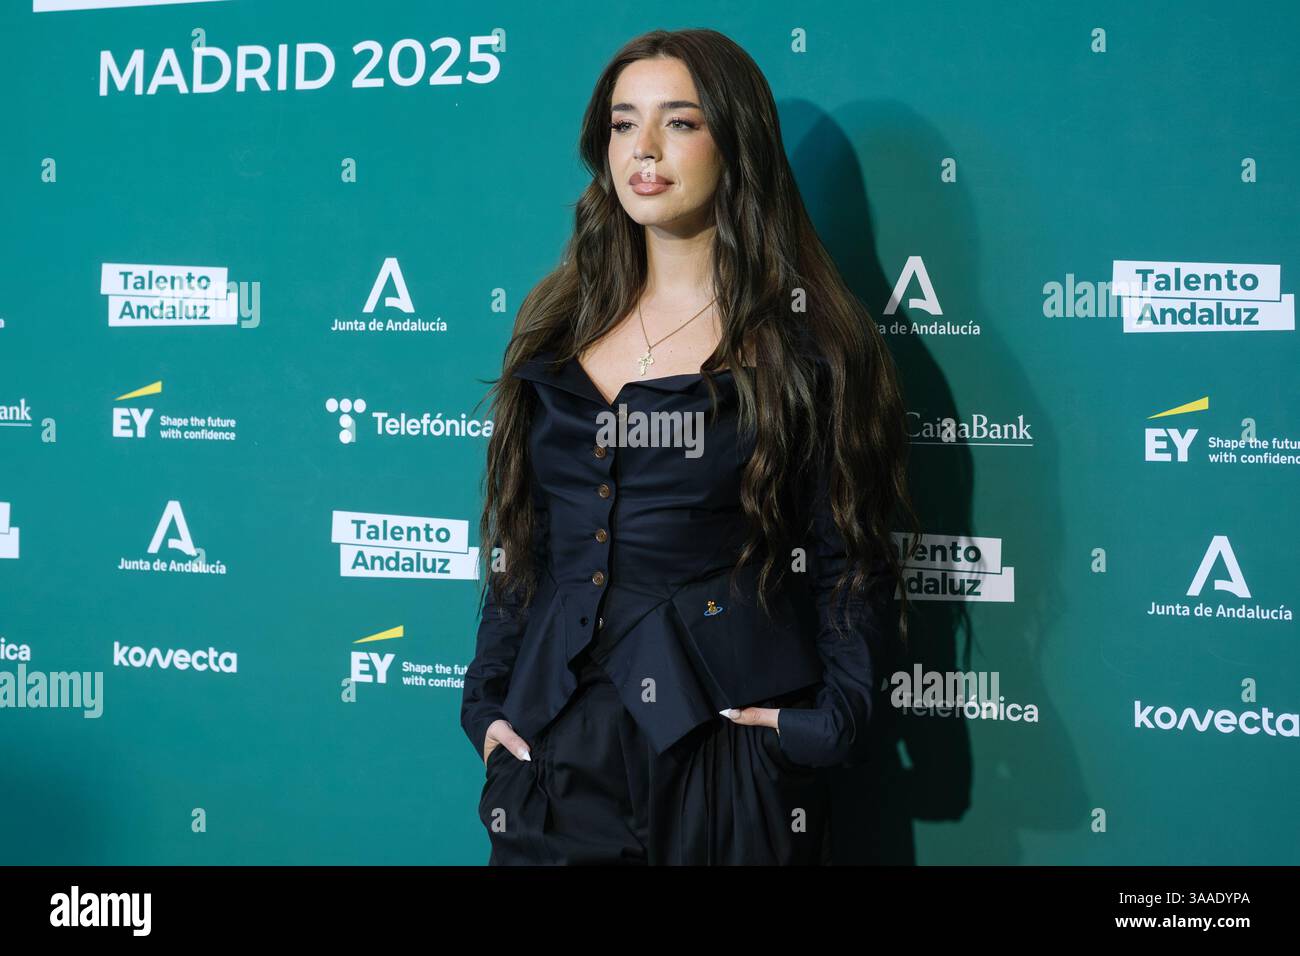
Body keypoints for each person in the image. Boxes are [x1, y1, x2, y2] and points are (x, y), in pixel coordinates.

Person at [461, 27, 918, 865]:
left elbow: (849, 560)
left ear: (735, 141)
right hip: (553, 757)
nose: (644, 149)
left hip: (720, 752)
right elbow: (524, 547)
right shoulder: (554, 335)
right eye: (622, 123)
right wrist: (488, 704)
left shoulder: (805, 350)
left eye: (679, 122)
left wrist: (820, 728)